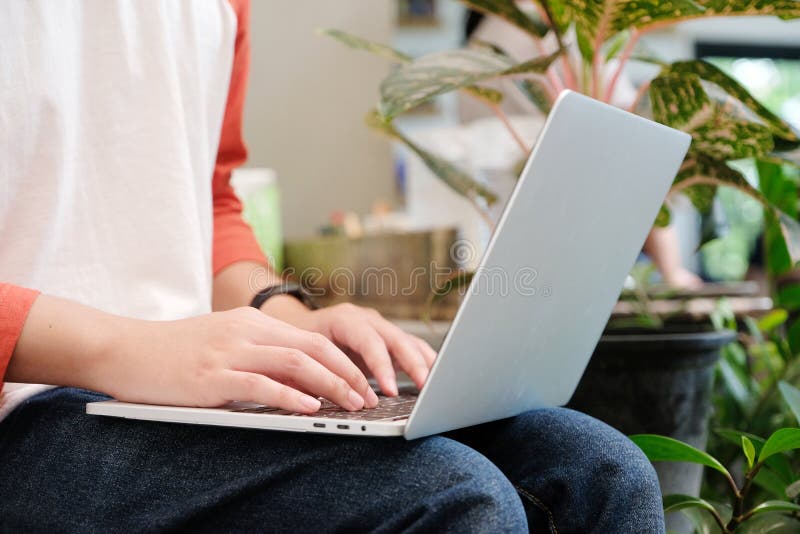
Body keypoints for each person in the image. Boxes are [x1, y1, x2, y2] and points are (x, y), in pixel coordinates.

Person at [0, 2, 665, 532]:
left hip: (193, 388)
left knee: (601, 472)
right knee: (457, 498)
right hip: (26, 401)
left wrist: (289, 321)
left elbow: (209, 202)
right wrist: (128, 348)